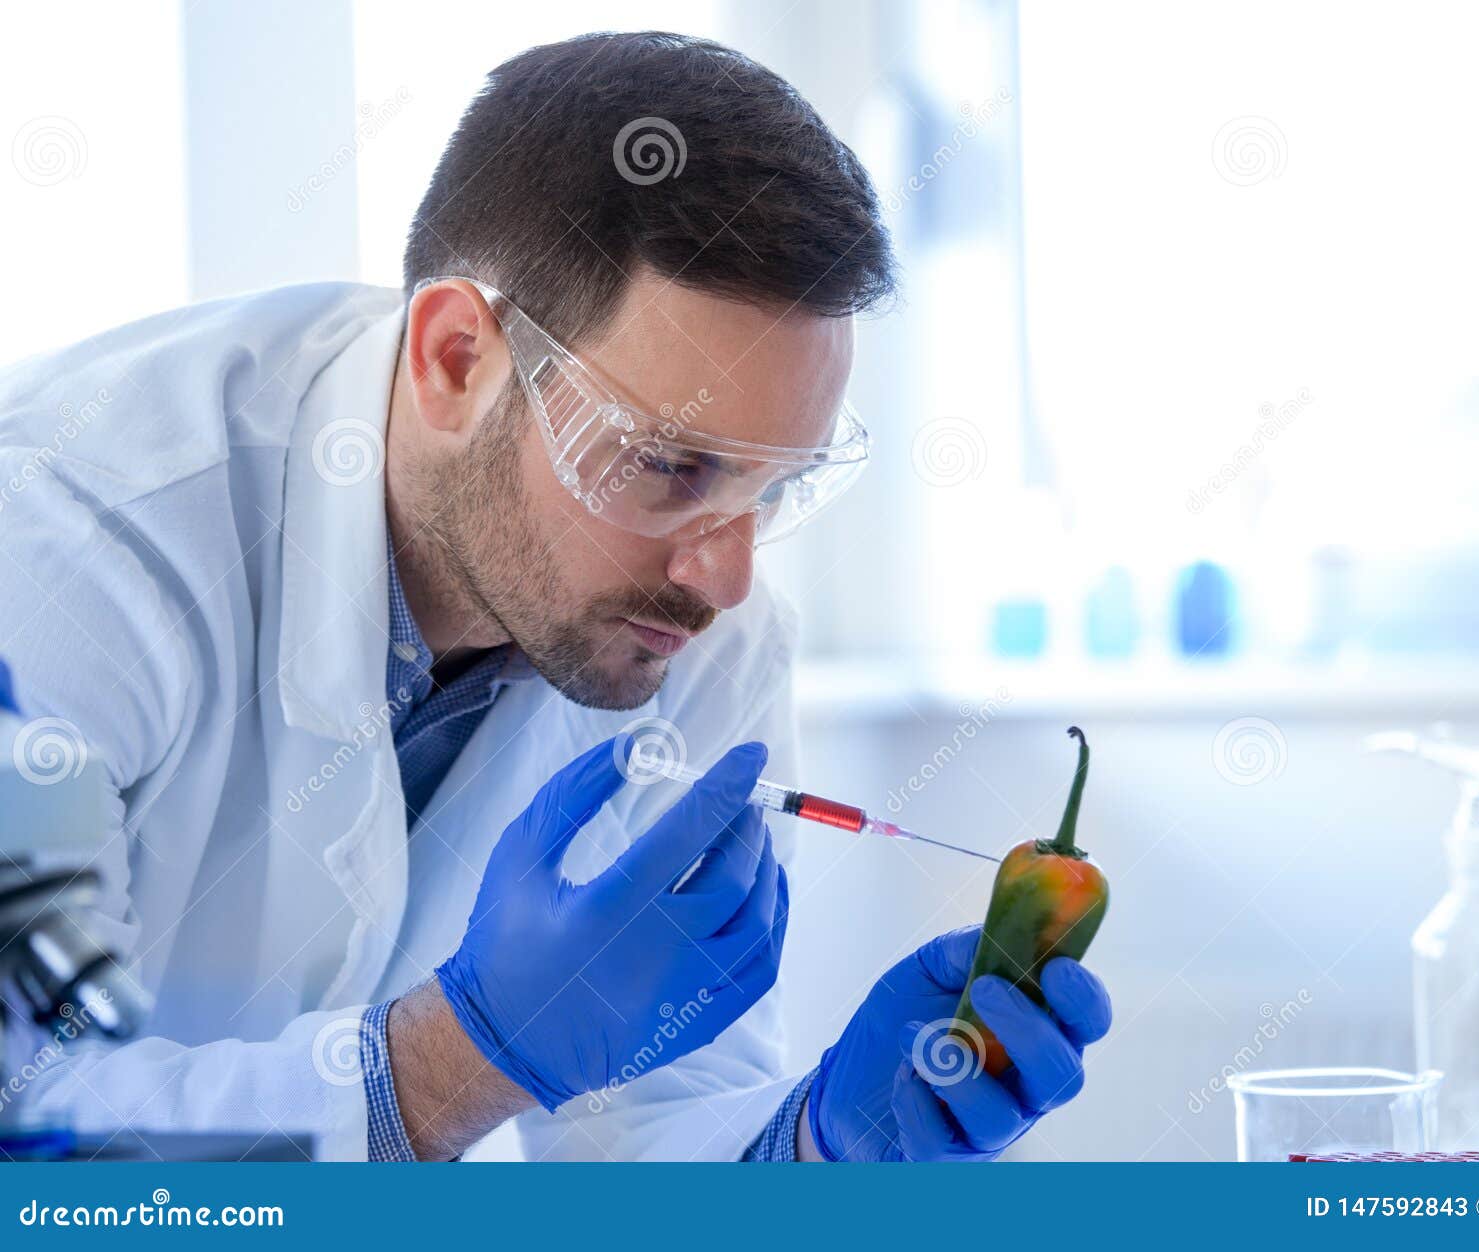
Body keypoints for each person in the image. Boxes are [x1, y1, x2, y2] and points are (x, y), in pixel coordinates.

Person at [0, 31, 1109, 1162]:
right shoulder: (68, 542)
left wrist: (815, 1149)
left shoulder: (693, 629)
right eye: (671, 466)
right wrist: (452, 1068)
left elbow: (641, 1134)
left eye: (776, 488)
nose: (726, 577)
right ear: (455, 360)